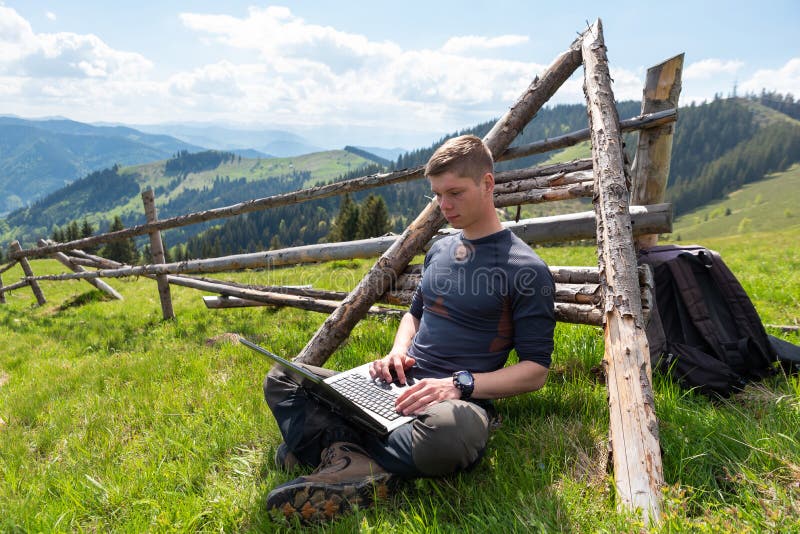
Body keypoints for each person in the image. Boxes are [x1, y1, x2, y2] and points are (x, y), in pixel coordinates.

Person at [263, 134, 555, 523]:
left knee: (454, 432)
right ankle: (362, 464)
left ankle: (333, 452)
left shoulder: (525, 268)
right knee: (283, 378)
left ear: (487, 184)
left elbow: (536, 371)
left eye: (455, 193)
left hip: (450, 404)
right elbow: (414, 315)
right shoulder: (440, 249)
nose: (444, 206)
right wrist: (398, 352)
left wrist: (459, 385)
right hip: (395, 387)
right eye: (437, 195)